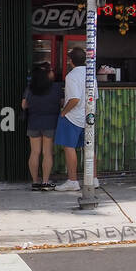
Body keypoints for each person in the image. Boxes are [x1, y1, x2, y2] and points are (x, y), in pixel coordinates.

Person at [54, 47, 90, 192]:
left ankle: (73, 180)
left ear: (70, 61)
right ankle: (93, 179)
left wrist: (64, 112)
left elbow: (74, 98)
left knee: (69, 147)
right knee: (88, 147)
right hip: (87, 116)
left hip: (72, 117)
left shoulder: (71, 76)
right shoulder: (90, 74)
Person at [22, 63, 63, 191]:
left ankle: (35, 182)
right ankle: (45, 182)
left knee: (34, 152)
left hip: (34, 121)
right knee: (47, 153)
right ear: (47, 73)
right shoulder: (56, 87)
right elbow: (62, 103)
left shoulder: (31, 88)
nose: (53, 73)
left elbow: (24, 105)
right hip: (50, 122)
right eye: (51, 70)